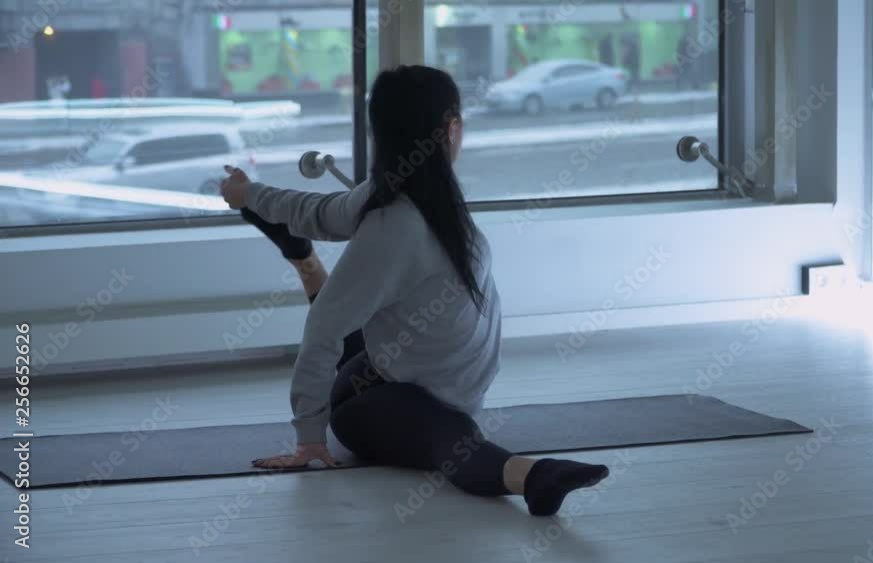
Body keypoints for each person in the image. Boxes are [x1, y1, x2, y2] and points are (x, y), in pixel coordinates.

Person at [220, 65, 610, 516]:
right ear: (451, 130)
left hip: (404, 379)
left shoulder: (404, 197)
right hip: (398, 397)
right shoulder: (400, 217)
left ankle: (303, 259)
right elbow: (324, 319)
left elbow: (323, 216)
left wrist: (251, 194)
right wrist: (309, 438)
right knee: (447, 439)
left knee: (374, 358)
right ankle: (536, 476)